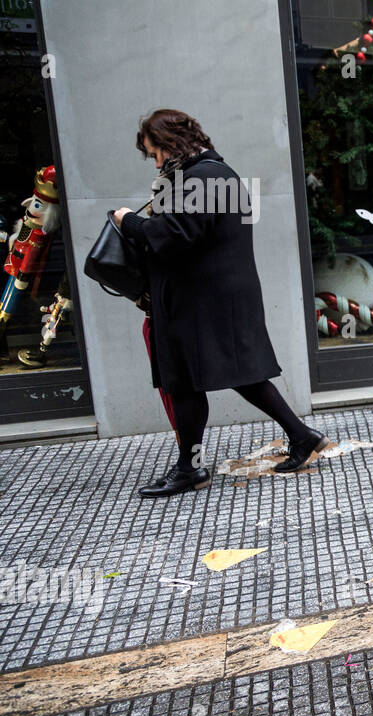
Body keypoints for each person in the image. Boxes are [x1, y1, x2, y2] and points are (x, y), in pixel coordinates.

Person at [112, 109, 327, 497]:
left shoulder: (205, 177)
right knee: (239, 373)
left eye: (156, 151)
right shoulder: (208, 174)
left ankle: (190, 470)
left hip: (201, 300)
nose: (156, 160)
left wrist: (129, 221)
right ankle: (300, 436)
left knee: (186, 383)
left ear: (172, 142)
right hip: (211, 297)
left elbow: (177, 236)